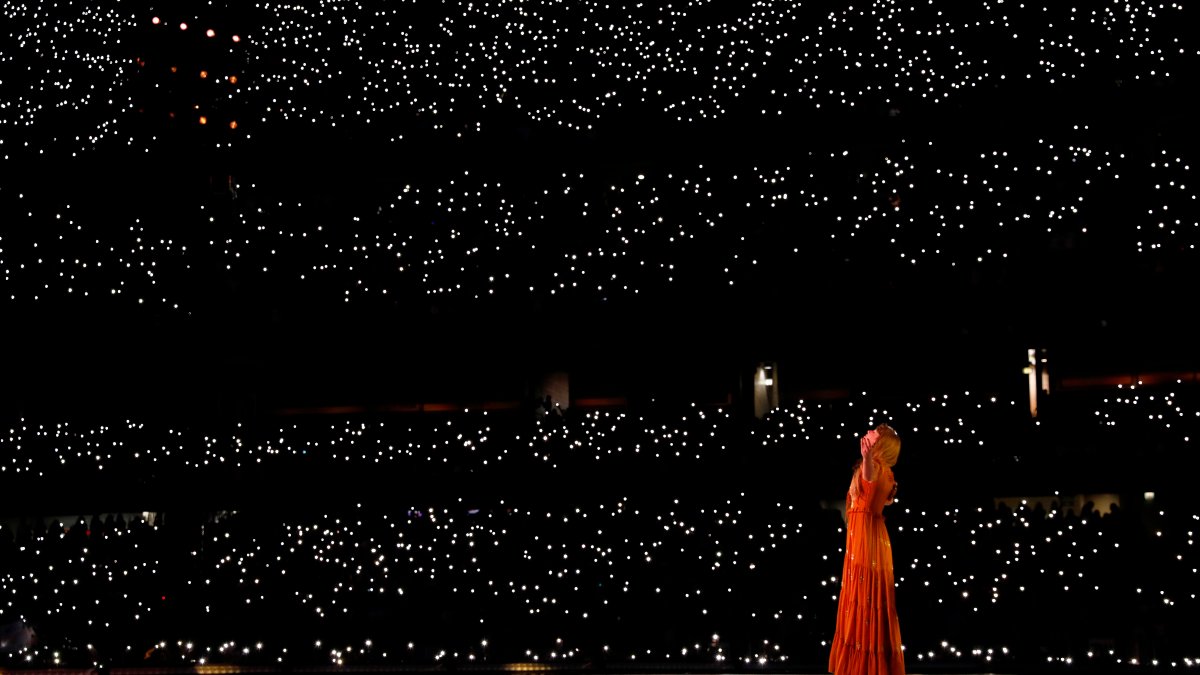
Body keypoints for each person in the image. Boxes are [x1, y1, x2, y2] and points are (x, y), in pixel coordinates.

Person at [828, 424, 905, 675]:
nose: (868, 432)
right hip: (869, 537)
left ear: (880, 445)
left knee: (864, 594)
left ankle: (864, 667)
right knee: (864, 595)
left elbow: (868, 482)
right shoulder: (884, 470)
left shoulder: (874, 468)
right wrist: (866, 459)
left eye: (874, 433)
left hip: (867, 539)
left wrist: (866, 458)